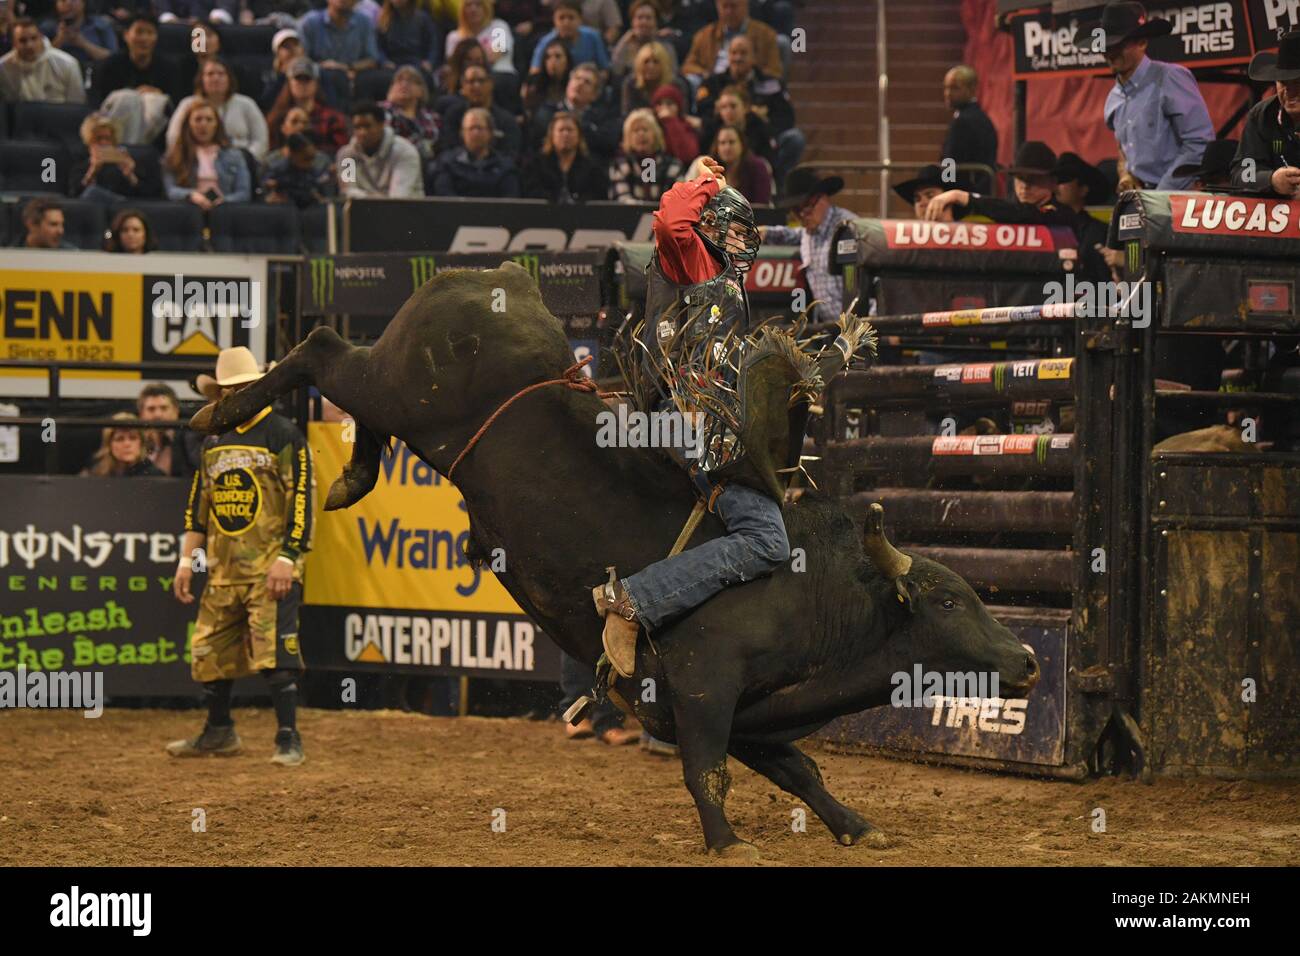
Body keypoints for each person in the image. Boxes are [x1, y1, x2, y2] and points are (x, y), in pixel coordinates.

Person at [593, 157, 793, 678]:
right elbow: (668, 222)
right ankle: (632, 601)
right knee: (767, 540)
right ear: (710, 225)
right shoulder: (690, 257)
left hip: (700, 419)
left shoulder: (712, 273)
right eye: (736, 226)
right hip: (689, 422)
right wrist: (704, 180)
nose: (744, 237)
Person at [170, 346, 314, 766]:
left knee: (276, 653)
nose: (235, 396)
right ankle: (218, 732)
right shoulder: (213, 441)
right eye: (228, 390)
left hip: (270, 565)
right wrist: (186, 561)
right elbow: (199, 506)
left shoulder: (283, 434)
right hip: (223, 567)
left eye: (243, 388)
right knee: (208, 651)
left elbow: (301, 499)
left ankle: (289, 737)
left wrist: (288, 556)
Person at [924, 141, 1107, 282]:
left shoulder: (1062, 215)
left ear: (1052, 182)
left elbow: (1023, 214)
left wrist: (964, 197)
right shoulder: (1006, 211)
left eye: (1034, 179)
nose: (1025, 186)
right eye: (1019, 178)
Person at [1093, 1, 1212, 191]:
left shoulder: (1170, 77)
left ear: (1142, 42)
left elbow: (1199, 143)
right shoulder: (1113, 98)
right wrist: (1125, 174)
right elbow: (1123, 148)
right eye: (1106, 45)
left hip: (1176, 199)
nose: (1109, 52)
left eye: (1118, 44)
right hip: (1143, 200)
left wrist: (1160, 194)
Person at [698, 33, 799, 188]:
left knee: (792, 140)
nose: (738, 58)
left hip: (761, 143)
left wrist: (767, 126)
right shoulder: (713, 83)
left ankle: (783, 190)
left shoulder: (770, 84)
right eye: (733, 53)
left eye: (743, 53)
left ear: (754, 57)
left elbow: (786, 117)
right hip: (717, 162)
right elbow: (702, 111)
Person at [762, 168, 856, 322]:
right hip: (830, 327)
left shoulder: (849, 229)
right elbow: (795, 234)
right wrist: (766, 232)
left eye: (807, 207)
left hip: (857, 327)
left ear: (823, 198)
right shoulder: (809, 231)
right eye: (796, 211)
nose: (802, 216)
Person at [1230, 31, 1300, 198]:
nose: (1289, 91)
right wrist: (1271, 180)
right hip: (1281, 219)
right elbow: (1241, 173)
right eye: (1283, 82)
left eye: (1298, 82)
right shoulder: (1261, 115)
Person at [92, 14, 182, 144]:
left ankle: (135, 148)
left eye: (150, 33)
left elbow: (176, 103)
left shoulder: (169, 67)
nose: (144, 38)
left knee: (155, 100)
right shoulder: (110, 65)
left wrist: (158, 94)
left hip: (155, 128)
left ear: (156, 37)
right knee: (128, 99)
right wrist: (136, 95)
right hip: (114, 120)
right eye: (139, 32)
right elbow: (99, 101)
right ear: (126, 35)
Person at [166, 57, 269, 158]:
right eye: (210, 74)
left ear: (229, 78)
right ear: (201, 79)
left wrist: (247, 159)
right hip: (195, 161)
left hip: (241, 161)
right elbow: (173, 137)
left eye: (221, 74)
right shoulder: (187, 104)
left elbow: (261, 140)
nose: (216, 78)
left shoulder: (247, 104)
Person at [163, 99, 253, 210]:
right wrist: (191, 195)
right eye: (198, 120)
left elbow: (244, 193)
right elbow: (170, 190)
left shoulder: (235, 155)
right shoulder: (174, 155)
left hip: (225, 210)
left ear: (217, 124)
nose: (203, 124)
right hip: (189, 210)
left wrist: (224, 201)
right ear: (188, 124)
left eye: (209, 120)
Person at [529, 61, 620, 159]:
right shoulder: (548, 110)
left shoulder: (603, 118)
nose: (580, 83)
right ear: (568, 84)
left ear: (595, 95)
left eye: (587, 82)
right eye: (577, 78)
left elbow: (607, 142)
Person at [338, 99, 426, 197]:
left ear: (381, 125)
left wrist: (365, 197)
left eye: (367, 126)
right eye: (357, 127)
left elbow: (399, 197)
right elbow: (348, 190)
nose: (362, 132)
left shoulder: (405, 152)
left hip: (406, 210)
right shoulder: (346, 156)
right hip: (363, 210)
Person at [682, 0, 781, 82]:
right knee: (692, 80)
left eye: (733, 6)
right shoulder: (704, 35)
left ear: (745, 6)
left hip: (750, 84)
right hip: (715, 85)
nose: (729, 12)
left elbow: (774, 71)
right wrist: (705, 74)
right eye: (725, 7)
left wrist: (752, 74)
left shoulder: (766, 35)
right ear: (717, 7)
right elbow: (688, 66)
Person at [429, 106, 520, 196]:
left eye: (479, 128)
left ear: (490, 132)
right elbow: (444, 195)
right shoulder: (447, 163)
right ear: (462, 133)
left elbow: (510, 199)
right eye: (471, 128)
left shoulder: (505, 166)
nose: (475, 133)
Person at [266, 58, 350, 153]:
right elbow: (270, 149)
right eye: (298, 79)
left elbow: (342, 152)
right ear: (289, 83)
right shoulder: (277, 118)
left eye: (307, 79)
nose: (303, 84)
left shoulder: (332, 118)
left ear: (316, 83)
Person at [522, 109, 607, 202]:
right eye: (561, 130)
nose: (565, 134)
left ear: (579, 135)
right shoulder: (536, 165)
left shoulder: (593, 166)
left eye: (570, 130)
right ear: (552, 135)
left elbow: (598, 196)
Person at [75, 112, 161, 202]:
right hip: (94, 210)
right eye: (98, 139)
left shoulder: (128, 165)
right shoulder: (81, 168)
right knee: (92, 192)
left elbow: (150, 197)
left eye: (108, 138)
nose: (104, 143)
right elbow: (76, 198)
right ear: (89, 142)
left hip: (124, 209)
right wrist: (92, 171)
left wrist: (131, 176)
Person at [939, 64, 997, 196]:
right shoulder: (983, 118)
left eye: (954, 88)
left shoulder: (962, 122)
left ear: (972, 89)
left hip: (963, 195)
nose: (947, 93)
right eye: (946, 87)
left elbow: (950, 161)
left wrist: (946, 192)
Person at [439, 63, 521, 155]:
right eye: (471, 81)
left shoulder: (507, 120)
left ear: (491, 84)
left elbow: (510, 155)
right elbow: (448, 149)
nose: (476, 86)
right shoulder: (453, 116)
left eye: (481, 81)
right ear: (463, 87)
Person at [0, 16, 84, 103]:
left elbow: (77, 106)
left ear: (41, 37)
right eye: (23, 40)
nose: (30, 45)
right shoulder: (2, 68)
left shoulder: (68, 64)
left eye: (34, 38)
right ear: (14, 43)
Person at [300, 0, 381, 88]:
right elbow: (301, 60)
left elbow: (372, 59)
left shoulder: (364, 22)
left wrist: (346, 67)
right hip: (318, 80)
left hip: (354, 79)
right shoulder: (310, 22)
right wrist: (323, 67)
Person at [608, 109, 683, 202]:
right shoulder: (620, 165)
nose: (641, 134)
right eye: (635, 130)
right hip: (631, 215)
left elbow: (677, 201)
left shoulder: (673, 165)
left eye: (645, 129)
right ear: (628, 138)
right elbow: (621, 200)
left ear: (656, 135)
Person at [697, 83, 772, 168]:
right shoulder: (711, 130)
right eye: (723, 107)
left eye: (733, 106)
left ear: (746, 107)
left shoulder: (759, 129)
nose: (728, 111)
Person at [136, 382, 200, 475]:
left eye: (164, 408)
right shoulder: (134, 440)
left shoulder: (191, 437)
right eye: (151, 409)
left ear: (176, 410)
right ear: (141, 413)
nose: (158, 415)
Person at [528, 0, 608, 73]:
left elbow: (604, 69)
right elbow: (535, 71)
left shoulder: (593, 37)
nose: (566, 23)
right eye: (561, 18)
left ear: (580, 19)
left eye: (571, 18)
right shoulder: (546, 42)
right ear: (554, 21)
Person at [382, 64, 440, 161]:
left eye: (411, 81)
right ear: (391, 89)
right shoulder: (381, 111)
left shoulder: (432, 118)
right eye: (399, 80)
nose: (404, 84)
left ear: (421, 91)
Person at [264, 132, 336, 206]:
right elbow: (267, 184)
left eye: (312, 159)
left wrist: (329, 174)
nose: (310, 163)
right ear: (292, 154)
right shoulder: (279, 170)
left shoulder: (310, 170)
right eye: (306, 159)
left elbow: (318, 180)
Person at [82, 412, 163, 477]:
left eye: (133, 438)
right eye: (120, 439)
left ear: (141, 442)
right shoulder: (96, 471)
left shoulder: (154, 476)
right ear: (109, 444)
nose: (127, 444)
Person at [40, 0, 116, 70]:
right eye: (63, 0)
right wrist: (60, 40)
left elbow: (113, 59)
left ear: (84, 3)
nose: (68, 3)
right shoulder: (47, 27)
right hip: (58, 74)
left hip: (95, 73)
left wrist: (83, 43)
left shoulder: (100, 25)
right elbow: (39, 60)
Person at [444, 0, 513, 75]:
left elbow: (494, 56)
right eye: (468, 5)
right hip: (465, 79)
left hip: (499, 74)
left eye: (478, 4)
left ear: (486, 8)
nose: (473, 9)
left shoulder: (499, 27)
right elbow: (453, 65)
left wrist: (468, 59)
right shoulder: (453, 36)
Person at [611, 0, 676, 78]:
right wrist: (624, 41)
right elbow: (615, 70)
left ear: (655, 22)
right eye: (639, 18)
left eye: (648, 18)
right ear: (632, 22)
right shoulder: (625, 45)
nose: (644, 22)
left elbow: (673, 74)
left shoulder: (666, 47)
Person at [709, 122, 770, 204]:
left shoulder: (758, 167)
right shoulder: (711, 169)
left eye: (732, 142)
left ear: (742, 144)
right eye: (722, 143)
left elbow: (762, 205)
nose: (727, 147)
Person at [622, 38, 687, 114]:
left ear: (664, 65)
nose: (651, 66)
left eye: (656, 62)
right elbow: (626, 115)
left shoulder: (677, 85)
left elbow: (683, 116)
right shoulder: (631, 84)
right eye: (646, 62)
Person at [377, 0, 441, 75]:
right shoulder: (384, 20)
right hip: (392, 65)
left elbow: (433, 45)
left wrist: (429, 62)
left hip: (417, 64)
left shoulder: (422, 19)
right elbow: (378, 47)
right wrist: (384, 62)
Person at [520, 36, 571, 114]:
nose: (552, 61)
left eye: (558, 56)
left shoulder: (573, 83)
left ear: (567, 61)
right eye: (548, 57)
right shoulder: (534, 83)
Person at [652, 82, 699, 165]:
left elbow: (688, 155)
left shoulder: (686, 126)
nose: (664, 108)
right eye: (659, 104)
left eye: (669, 103)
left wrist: (671, 122)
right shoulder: (650, 126)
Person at [259, 28, 303, 111]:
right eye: (286, 46)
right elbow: (266, 102)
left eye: (295, 45)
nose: (292, 49)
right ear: (277, 53)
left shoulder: (315, 70)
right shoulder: (270, 75)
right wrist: (283, 76)